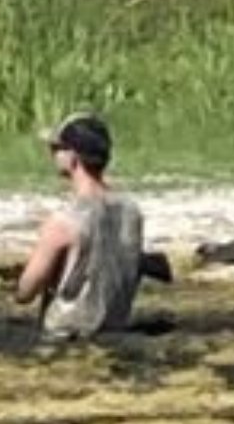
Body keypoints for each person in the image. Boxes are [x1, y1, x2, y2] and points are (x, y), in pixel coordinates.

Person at [12, 111, 146, 342]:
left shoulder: (63, 222)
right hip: (114, 334)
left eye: (56, 148)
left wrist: (23, 278)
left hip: (66, 338)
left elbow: (24, 293)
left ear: (73, 158)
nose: (52, 153)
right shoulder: (132, 212)